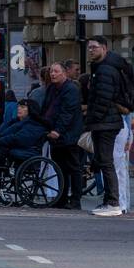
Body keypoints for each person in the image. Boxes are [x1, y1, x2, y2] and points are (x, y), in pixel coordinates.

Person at [83, 36, 134, 216]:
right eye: (89, 48)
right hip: (106, 122)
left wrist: (92, 119)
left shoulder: (105, 70)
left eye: (95, 47)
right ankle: (109, 201)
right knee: (104, 161)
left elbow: (103, 98)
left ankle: (113, 202)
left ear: (104, 48)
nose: (91, 50)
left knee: (107, 162)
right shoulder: (102, 67)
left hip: (106, 123)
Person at [39, 61, 84, 209]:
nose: (53, 74)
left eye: (56, 71)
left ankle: (76, 199)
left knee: (73, 168)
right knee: (60, 168)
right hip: (54, 134)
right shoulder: (52, 88)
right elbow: (48, 108)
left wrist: (58, 130)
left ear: (64, 73)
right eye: (51, 71)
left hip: (69, 134)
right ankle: (62, 198)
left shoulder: (71, 89)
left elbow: (67, 113)